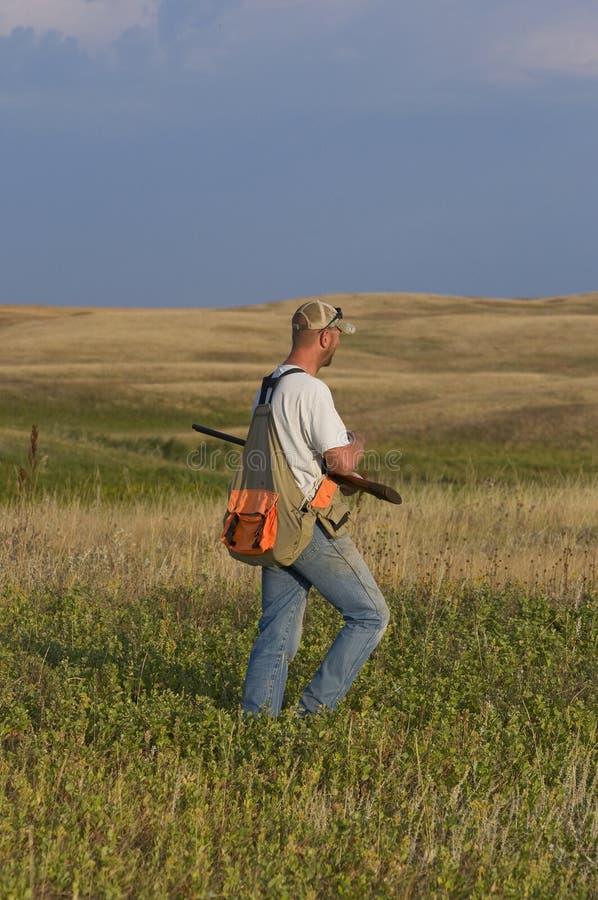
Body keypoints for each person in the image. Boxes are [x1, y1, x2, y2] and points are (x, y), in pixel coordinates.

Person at [242, 299, 390, 717]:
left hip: (269, 522)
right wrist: (356, 443)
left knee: (277, 631)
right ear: (326, 337)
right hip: (307, 527)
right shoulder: (311, 389)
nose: (337, 345)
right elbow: (340, 461)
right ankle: (312, 715)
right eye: (338, 337)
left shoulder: (269, 384)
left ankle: (257, 724)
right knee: (370, 615)